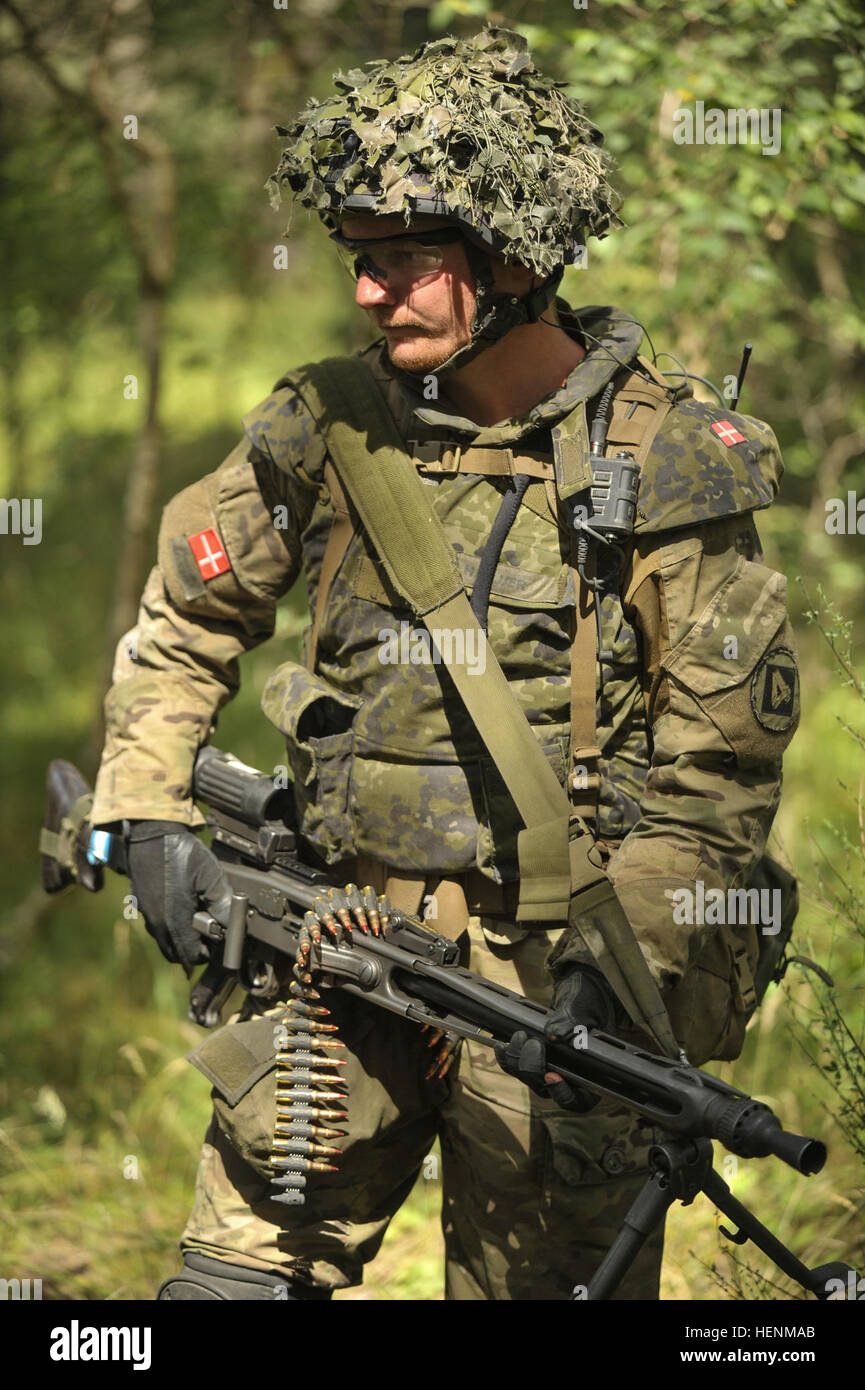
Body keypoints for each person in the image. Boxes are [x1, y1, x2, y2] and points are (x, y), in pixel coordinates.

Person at [89, 26, 800, 1301]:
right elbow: (187, 614)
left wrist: (614, 969)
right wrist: (140, 808)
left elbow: (719, 769)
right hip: (331, 954)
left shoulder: (666, 460)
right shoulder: (327, 425)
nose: (368, 292)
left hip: (555, 998)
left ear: (516, 257)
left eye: (409, 258)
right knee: (225, 1288)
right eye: (362, 258)